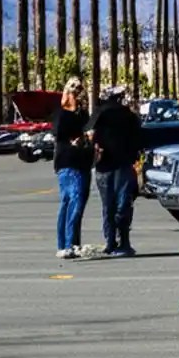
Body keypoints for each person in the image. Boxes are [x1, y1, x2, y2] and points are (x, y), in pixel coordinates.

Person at [87, 86, 142, 256]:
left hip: (105, 167)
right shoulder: (129, 116)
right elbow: (139, 137)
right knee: (123, 204)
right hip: (123, 165)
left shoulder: (98, 113)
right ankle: (123, 241)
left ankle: (110, 241)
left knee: (108, 205)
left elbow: (89, 134)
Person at [53, 77, 93, 259]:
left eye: (80, 91)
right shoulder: (62, 115)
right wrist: (75, 141)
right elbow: (60, 135)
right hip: (68, 162)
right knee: (71, 200)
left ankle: (73, 243)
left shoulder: (83, 116)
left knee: (78, 203)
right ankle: (65, 244)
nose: (78, 95)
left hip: (83, 162)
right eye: (75, 91)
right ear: (68, 94)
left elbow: (87, 133)